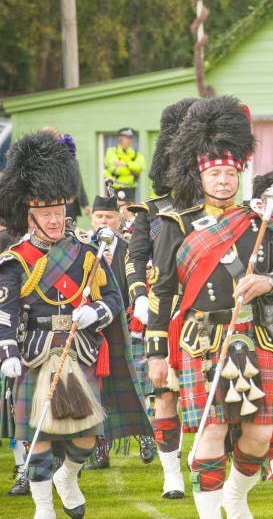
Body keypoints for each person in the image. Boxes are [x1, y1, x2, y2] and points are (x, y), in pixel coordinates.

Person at [144, 96, 273, 518]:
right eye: (215, 173)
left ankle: (236, 498)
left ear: (240, 172)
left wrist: (266, 283)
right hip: (204, 340)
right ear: (199, 175)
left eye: (229, 172)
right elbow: (161, 293)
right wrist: (156, 353)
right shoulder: (175, 225)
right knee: (211, 430)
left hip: (257, 337)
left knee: (258, 435)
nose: (223, 181)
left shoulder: (259, 223)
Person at [0, 132, 150, 519]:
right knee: (37, 436)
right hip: (35, 351)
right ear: (29, 215)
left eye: (60, 212)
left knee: (86, 435)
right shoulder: (16, 260)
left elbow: (115, 300)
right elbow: (6, 313)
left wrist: (95, 314)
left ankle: (68, 477)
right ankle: (44, 507)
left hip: (79, 346)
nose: (55, 219)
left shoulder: (87, 250)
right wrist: (8, 354)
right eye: (46, 214)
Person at [123, 97, 198, 499]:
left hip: (203, 312)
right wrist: (138, 295)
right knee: (164, 393)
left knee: (204, 394)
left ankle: (204, 459)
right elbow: (135, 258)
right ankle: (172, 474)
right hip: (160, 310)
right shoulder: (149, 210)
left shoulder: (211, 211)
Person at [104, 128, 145, 202]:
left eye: (130, 138)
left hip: (130, 189)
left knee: (129, 212)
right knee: (114, 212)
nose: (129, 140)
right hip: (114, 188)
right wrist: (132, 171)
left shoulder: (136, 154)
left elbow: (141, 167)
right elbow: (114, 169)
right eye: (126, 137)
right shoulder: (111, 151)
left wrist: (125, 164)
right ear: (120, 138)